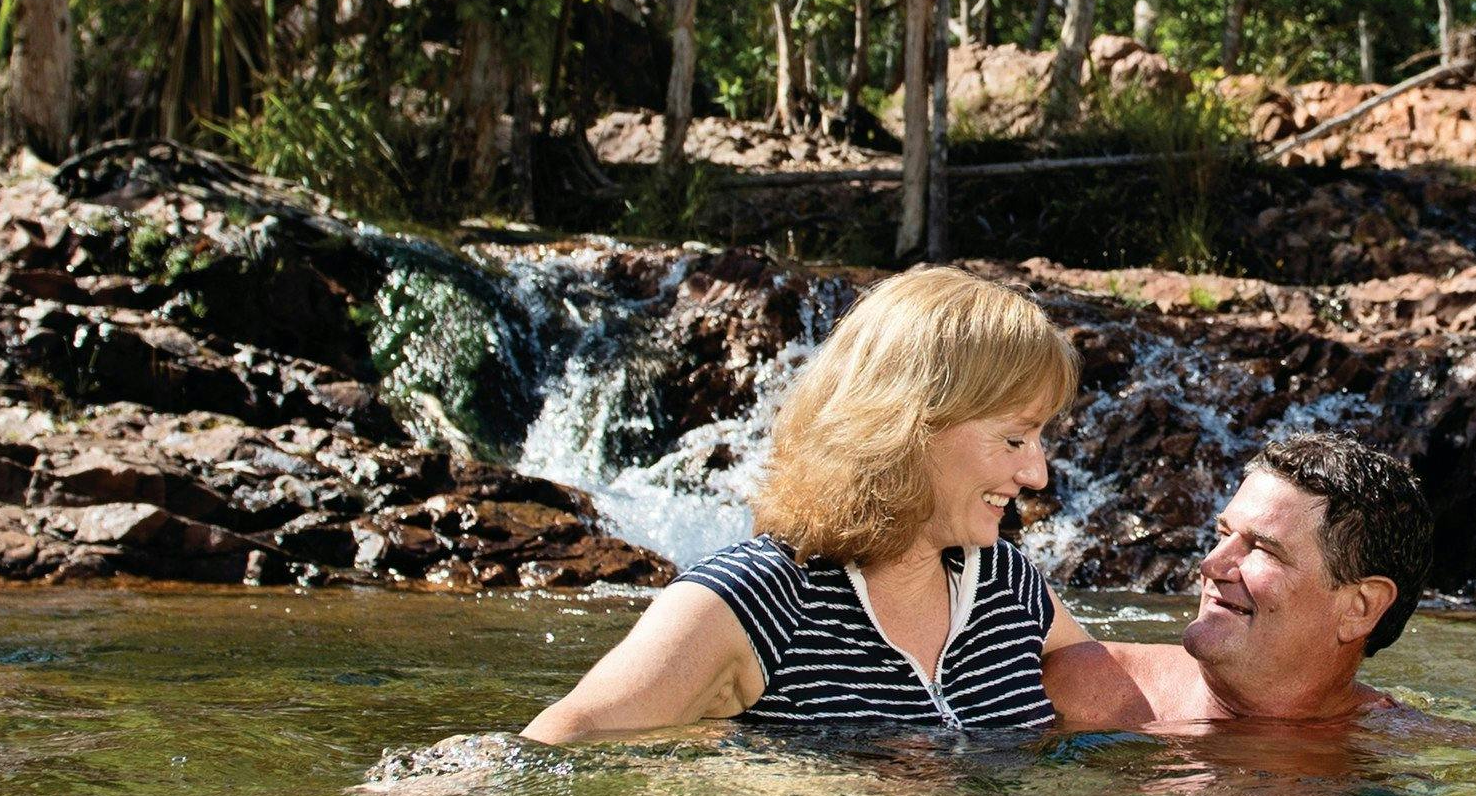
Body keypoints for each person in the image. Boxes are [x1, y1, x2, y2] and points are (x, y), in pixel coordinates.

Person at [504, 265, 1096, 744]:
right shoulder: (755, 597)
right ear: (905, 428)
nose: (1037, 474)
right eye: (1015, 439)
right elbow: (550, 755)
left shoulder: (1007, 584)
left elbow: (1136, 705)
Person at [1043, 431, 1429, 734]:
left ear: (1360, 608)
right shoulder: (1079, 691)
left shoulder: (1408, 753)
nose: (1211, 564)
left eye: (1262, 549)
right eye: (1222, 534)